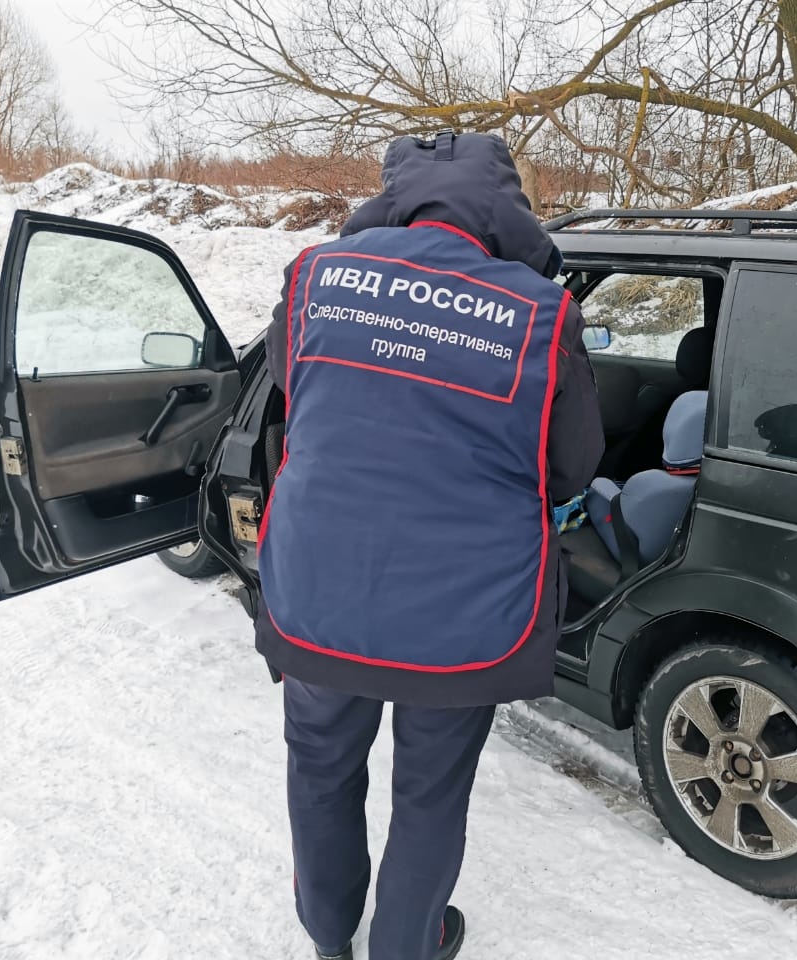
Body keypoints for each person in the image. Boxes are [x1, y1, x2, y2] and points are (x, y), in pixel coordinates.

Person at [254, 131, 604, 960]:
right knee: (430, 795)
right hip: (463, 609)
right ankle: (408, 945)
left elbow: (289, 390)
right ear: (504, 209)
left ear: (397, 196)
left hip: (319, 594)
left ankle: (328, 938)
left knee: (319, 769)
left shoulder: (315, 279)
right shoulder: (540, 313)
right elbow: (572, 463)